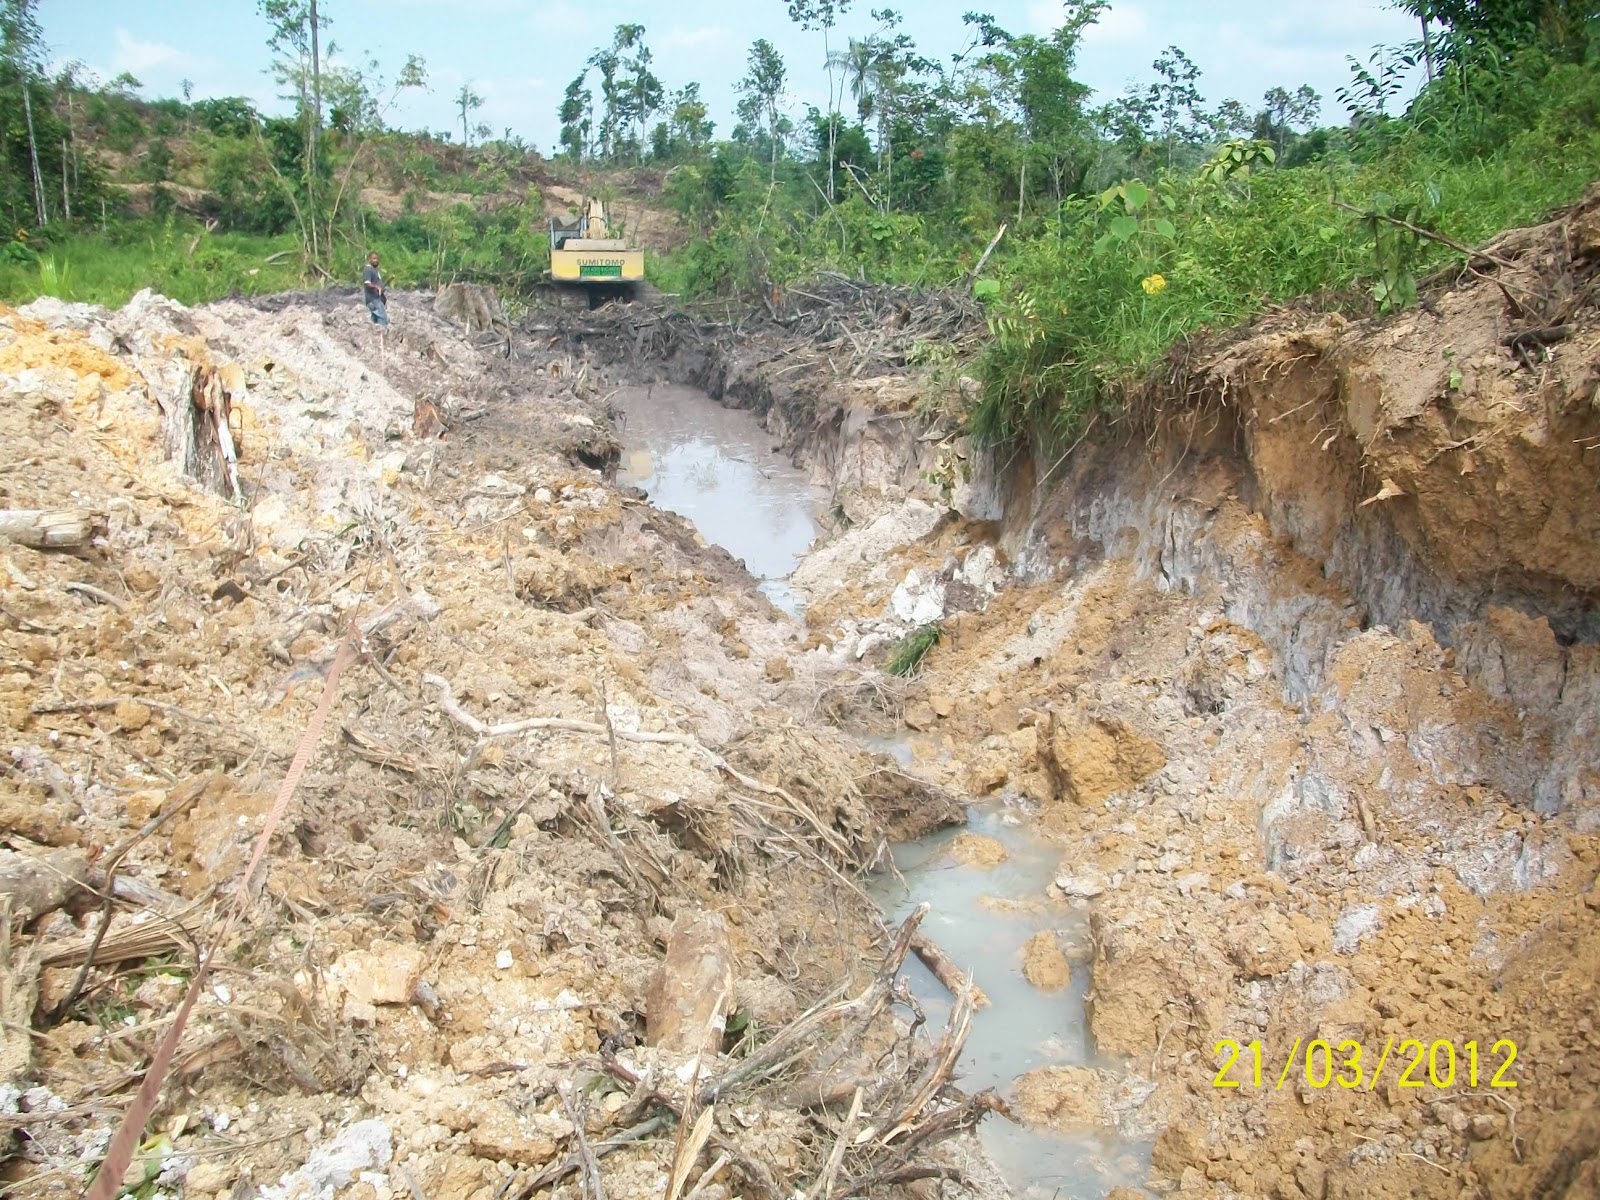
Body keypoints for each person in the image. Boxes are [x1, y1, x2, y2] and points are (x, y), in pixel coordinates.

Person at [362, 252, 389, 327]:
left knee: (375, 321)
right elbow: (367, 283)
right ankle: (382, 333)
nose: (376, 260)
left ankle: (376, 333)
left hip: (377, 299)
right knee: (383, 319)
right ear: (369, 259)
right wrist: (376, 287)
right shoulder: (368, 269)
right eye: (374, 258)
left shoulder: (374, 270)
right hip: (374, 300)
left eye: (377, 259)